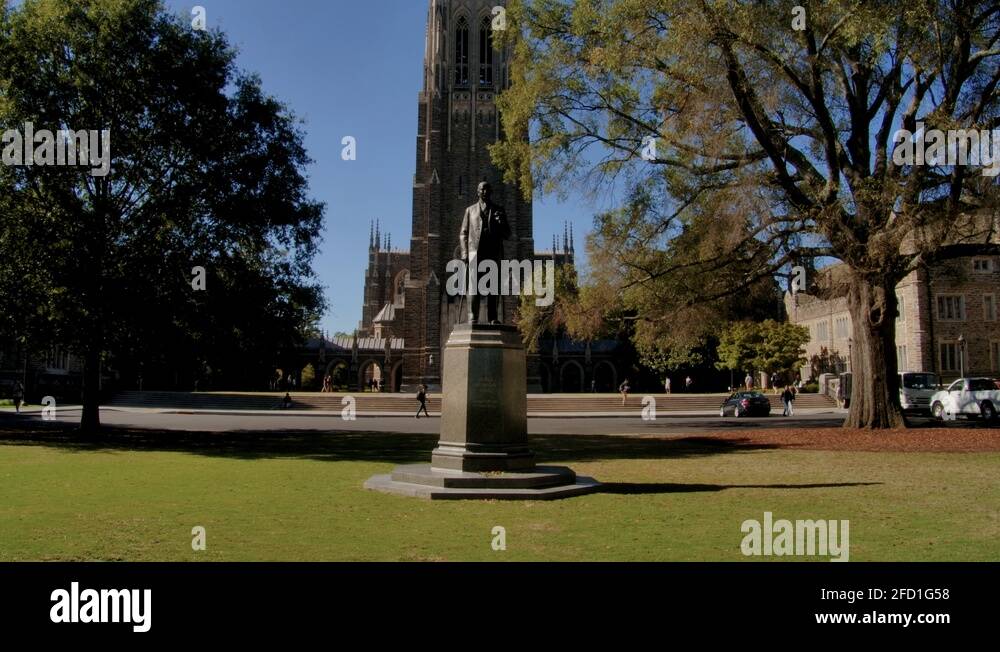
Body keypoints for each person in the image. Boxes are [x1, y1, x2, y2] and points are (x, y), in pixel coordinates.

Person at [460, 181, 511, 324]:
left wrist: (501, 223)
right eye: (482, 190)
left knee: (493, 287)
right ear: (477, 192)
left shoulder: (499, 210)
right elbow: (463, 233)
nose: (485, 192)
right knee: (473, 286)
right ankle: (473, 316)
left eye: (487, 190)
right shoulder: (470, 211)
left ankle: (493, 317)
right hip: (475, 252)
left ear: (491, 192)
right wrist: (464, 253)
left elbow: (508, 234)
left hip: (492, 252)